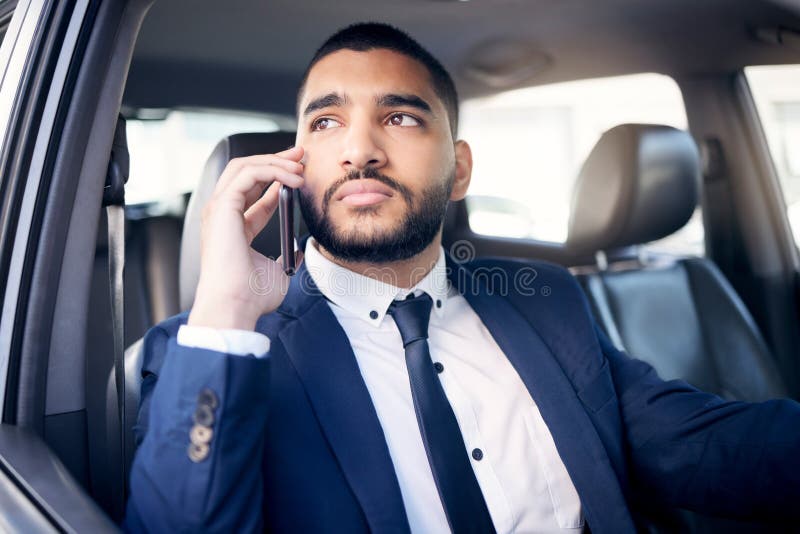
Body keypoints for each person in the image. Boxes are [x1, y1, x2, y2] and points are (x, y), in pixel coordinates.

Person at [124, 22, 800, 534]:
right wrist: (224, 311)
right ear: (296, 162)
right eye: (327, 122)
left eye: (400, 117)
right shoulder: (215, 352)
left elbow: (699, 442)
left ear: (461, 169)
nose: (360, 149)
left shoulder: (547, 304)